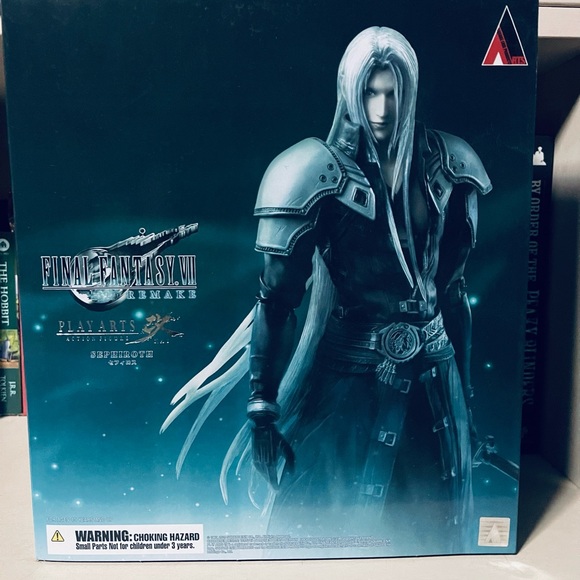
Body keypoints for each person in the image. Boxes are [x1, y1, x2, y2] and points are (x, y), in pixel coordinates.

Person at [163, 26, 491, 550]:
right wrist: (262, 409)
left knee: (436, 529)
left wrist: (466, 407)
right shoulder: (312, 173)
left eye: (392, 93)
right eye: (370, 92)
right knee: (323, 529)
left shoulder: (449, 166)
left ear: (409, 92)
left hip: (435, 381)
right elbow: (276, 301)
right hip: (349, 382)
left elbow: (452, 293)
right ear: (350, 93)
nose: (381, 108)